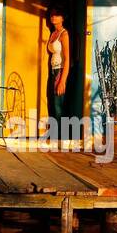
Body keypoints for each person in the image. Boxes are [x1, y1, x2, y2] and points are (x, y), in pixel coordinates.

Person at [44, 9, 70, 140]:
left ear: (63, 18)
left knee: (58, 105)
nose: (53, 17)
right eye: (52, 15)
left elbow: (67, 59)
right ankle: (54, 134)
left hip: (60, 70)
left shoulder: (64, 34)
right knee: (52, 103)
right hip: (53, 71)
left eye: (57, 15)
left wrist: (62, 80)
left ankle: (61, 137)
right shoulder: (53, 33)